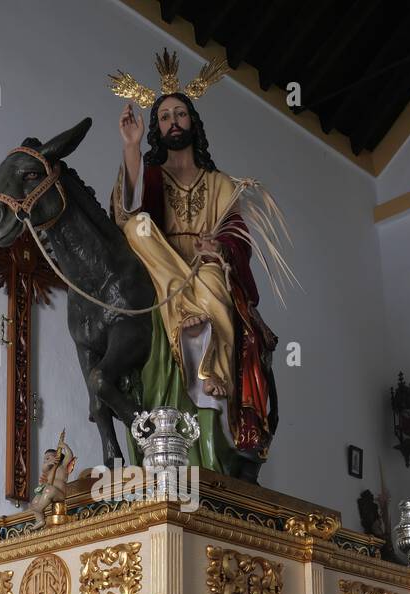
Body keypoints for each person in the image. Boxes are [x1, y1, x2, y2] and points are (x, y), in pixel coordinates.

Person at [110, 51, 289, 460]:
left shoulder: (220, 182)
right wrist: (131, 148)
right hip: (161, 266)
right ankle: (184, 315)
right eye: (165, 117)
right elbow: (127, 212)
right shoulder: (151, 174)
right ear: (156, 129)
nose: (173, 122)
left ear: (193, 122)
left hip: (206, 266)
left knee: (211, 277)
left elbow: (238, 233)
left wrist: (219, 248)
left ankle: (211, 372)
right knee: (138, 229)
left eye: (180, 114)